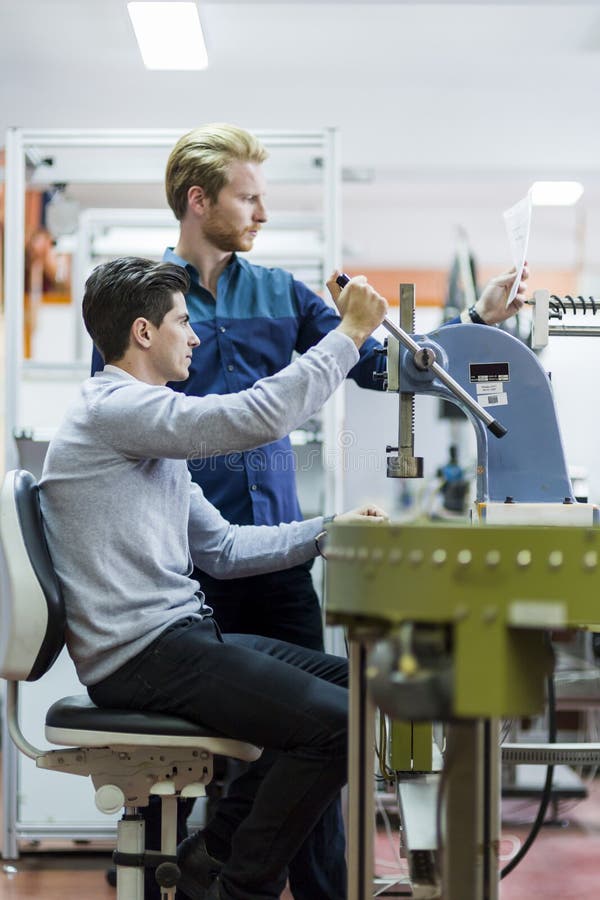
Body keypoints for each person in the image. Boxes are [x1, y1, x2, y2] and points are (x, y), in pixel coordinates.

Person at [92, 124, 529, 900]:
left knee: (320, 747)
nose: (262, 213)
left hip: (270, 556)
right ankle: (216, 874)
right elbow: (169, 423)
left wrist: (477, 318)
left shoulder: (278, 293)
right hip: (189, 573)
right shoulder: (143, 307)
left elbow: (387, 361)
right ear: (200, 201)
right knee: (228, 762)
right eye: (248, 196)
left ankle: (313, 891)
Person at [40, 257, 389, 900]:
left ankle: (214, 856)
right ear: (144, 333)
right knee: (341, 726)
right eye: (183, 322)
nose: (196, 336)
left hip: (180, 639)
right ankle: (240, 885)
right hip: (144, 654)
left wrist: (328, 530)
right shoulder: (114, 407)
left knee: (365, 691)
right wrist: (348, 337)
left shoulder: (145, 423)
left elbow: (223, 548)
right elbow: (251, 418)